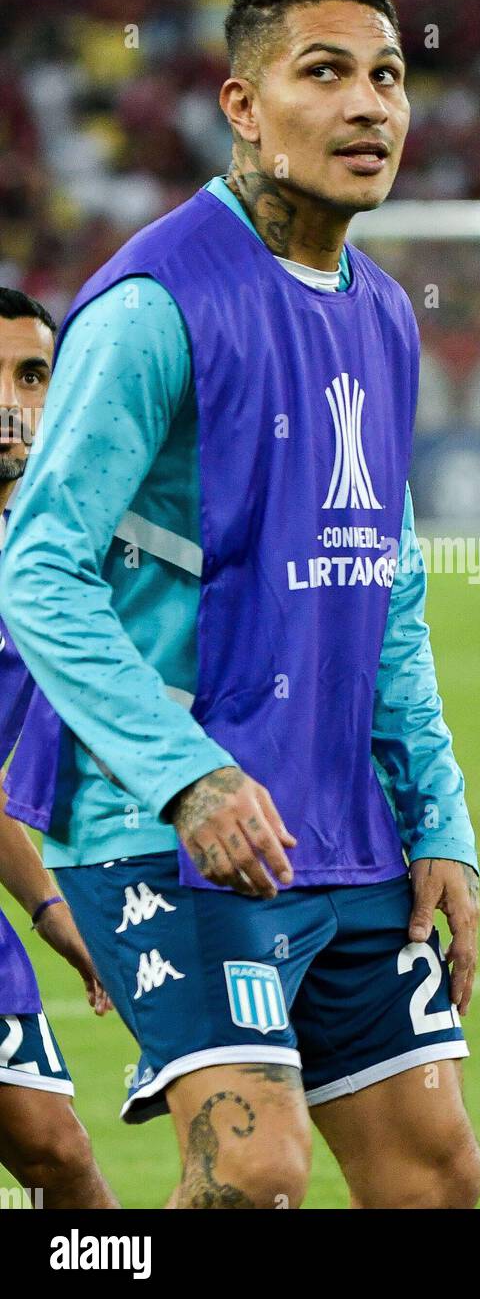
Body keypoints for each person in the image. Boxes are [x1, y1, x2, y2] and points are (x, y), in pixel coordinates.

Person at [0, 0, 480, 1210]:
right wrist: (186, 774)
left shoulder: (381, 312)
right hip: (165, 828)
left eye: (386, 75)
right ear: (242, 104)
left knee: (435, 1178)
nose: (368, 104)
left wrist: (439, 817)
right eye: (322, 73)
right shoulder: (155, 304)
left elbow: (391, 587)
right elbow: (37, 568)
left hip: (339, 827)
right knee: (253, 1177)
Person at [0, 287, 117, 1209]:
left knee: (56, 1154)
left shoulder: (47, 550)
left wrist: (52, 913)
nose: (10, 403)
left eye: (32, 375)